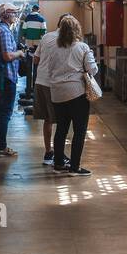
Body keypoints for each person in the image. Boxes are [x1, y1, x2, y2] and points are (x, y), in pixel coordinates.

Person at [48, 15, 97, 176]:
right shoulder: (82, 47)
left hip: (57, 93)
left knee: (61, 129)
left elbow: (49, 69)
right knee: (79, 130)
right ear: (77, 29)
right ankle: (74, 167)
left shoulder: (54, 47)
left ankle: (58, 163)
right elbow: (93, 69)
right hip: (76, 93)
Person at [31, 14, 71, 164]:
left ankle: (49, 153)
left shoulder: (46, 37)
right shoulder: (68, 40)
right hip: (55, 84)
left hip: (40, 82)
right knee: (62, 120)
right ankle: (59, 155)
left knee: (48, 120)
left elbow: (35, 59)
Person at [0, 4, 25, 157]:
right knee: (5, 112)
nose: (15, 15)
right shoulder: (3, 31)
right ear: (6, 15)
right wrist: (20, 53)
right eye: (13, 12)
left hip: (2, 75)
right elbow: (7, 56)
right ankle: (1, 146)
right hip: (6, 76)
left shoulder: (1, 29)